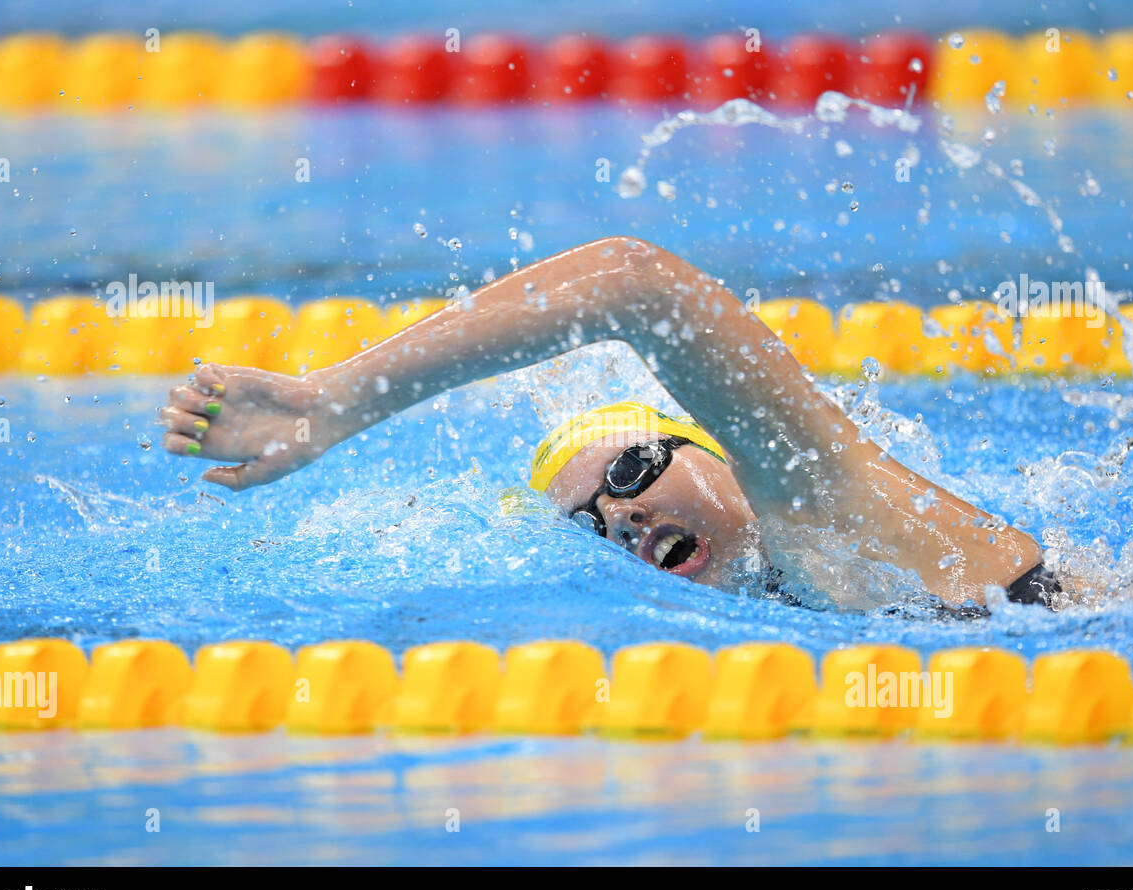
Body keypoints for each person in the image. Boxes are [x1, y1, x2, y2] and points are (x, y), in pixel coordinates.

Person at [159, 236, 1060, 611]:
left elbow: (631, 280)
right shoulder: (775, 607)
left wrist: (332, 402)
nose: (620, 518)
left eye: (629, 475)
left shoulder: (822, 501)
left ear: (713, 448)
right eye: (592, 521)